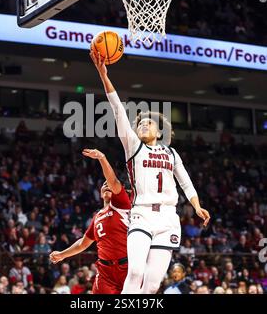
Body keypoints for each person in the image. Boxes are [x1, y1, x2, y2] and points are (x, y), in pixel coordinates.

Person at [90, 51, 211, 294]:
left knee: (154, 283)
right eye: (140, 123)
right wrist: (104, 75)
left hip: (168, 218)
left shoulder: (172, 153)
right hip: (142, 215)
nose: (144, 124)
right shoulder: (134, 147)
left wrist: (196, 206)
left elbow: (186, 183)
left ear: (159, 131)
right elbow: (117, 110)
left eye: (149, 123)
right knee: (135, 273)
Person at [50, 148, 131, 294]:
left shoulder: (122, 204)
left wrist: (102, 158)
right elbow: (82, 243)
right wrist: (62, 254)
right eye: (103, 184)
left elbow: (112, 180)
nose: (107, 185)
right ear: (100, 193)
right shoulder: (97, 217)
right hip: (105, 271)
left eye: (109, 185)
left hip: (127, 267)